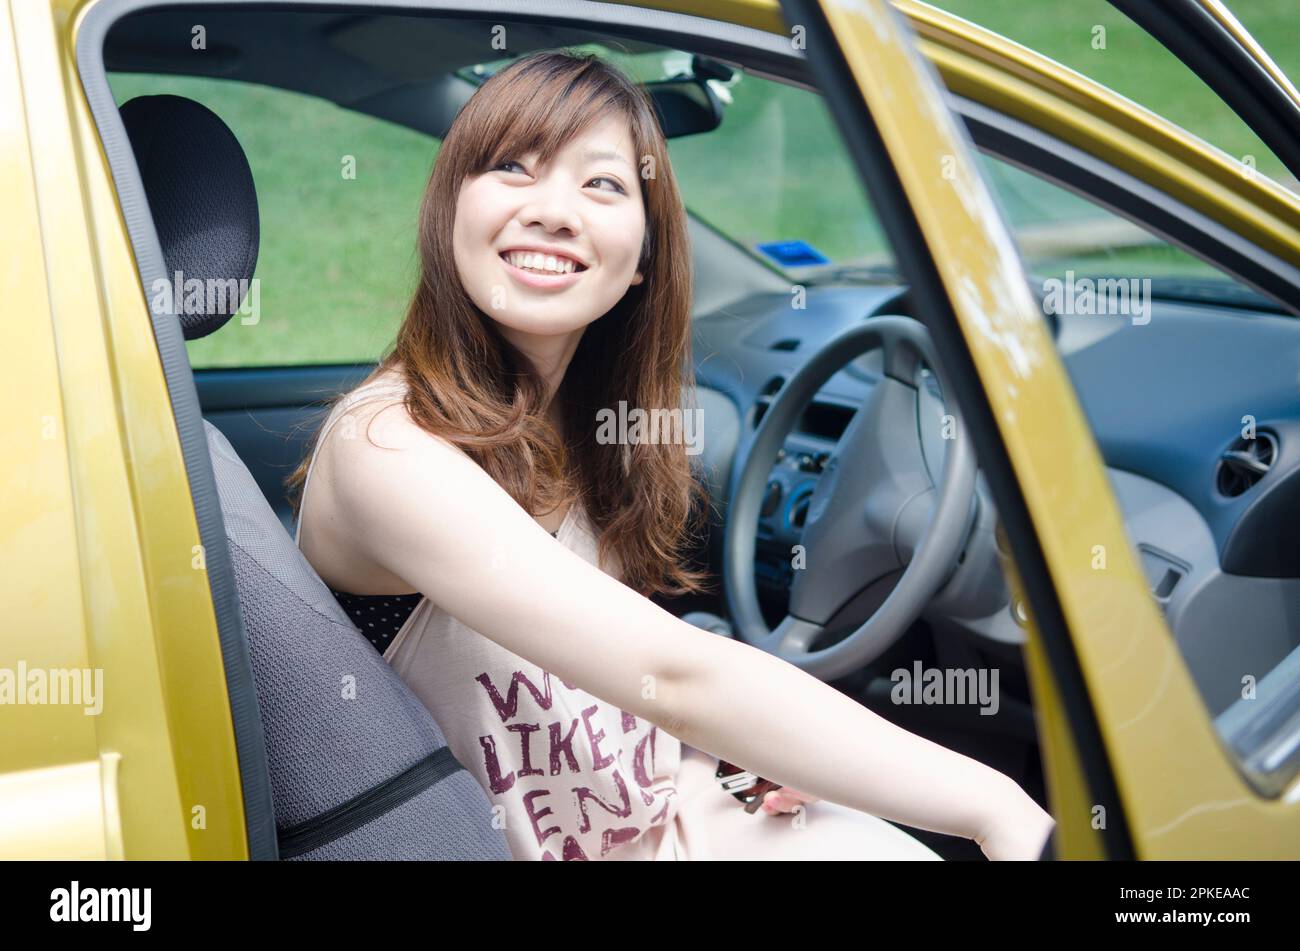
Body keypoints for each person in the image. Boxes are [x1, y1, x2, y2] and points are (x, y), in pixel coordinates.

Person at [289, 49, 1054, 861]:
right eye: (512, 167)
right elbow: (681, 675)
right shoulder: (387, 445)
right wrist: (996, 806)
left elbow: (624, 684)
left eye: (603, 184)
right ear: (449, 208)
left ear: (643, 257)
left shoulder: (587, 426)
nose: (553, 210)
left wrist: (729, 752)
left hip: (678, 810)